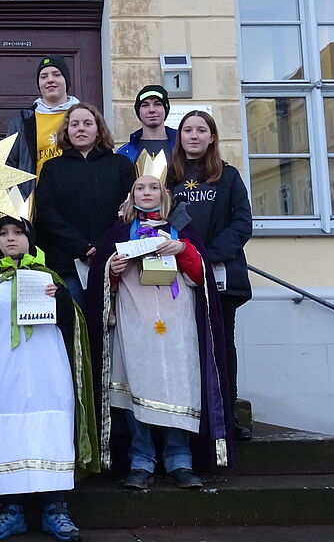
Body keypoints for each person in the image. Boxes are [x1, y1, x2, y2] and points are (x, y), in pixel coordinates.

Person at [85, 172, 234, 491]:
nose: (147, 192)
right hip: (134, 322)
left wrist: (182, 248)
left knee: (177, 387)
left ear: (164, 195)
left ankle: (179, 458)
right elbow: (100, 279)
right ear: (131, 196)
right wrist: (111, 269)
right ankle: (142, 459)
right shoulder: (119, 232)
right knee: (138, 385)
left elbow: (200, 276)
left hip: (177, 324)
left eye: (154, 187)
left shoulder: (182, 230)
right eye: (140, 187)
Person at [0, 217, 99, 542]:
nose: (11, 239)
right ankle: (11, 510)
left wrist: (61, 299)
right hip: (1, 374)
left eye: (18, 233)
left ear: (30, 238)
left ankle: (56, 508)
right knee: (5, 434)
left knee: (48, 431)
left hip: (46, 373)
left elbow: (72, 327)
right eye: (4, 234)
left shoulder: (47, 278)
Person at [168, 110, 253, 441]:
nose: (193, 135)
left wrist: (206, 256)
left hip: (219, 274)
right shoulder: (169, 177)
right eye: (187, 130)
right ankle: (189, 413)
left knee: (221, 345)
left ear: (212, 137)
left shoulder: (228, 177)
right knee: (183, 345)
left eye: (201, 130)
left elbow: (242, 224)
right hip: (177, 275)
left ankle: (226, 414)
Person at [35, 103, 135, 309]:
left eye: (88, 123)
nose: (81, 128)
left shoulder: (120, 165)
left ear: (98, 130)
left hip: (113, 262)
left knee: (110, 326)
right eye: (75, 124)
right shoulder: (52, 169)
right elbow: (46, 212)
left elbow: (128, 211)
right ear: (67, 131)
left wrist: (102, 244)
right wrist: (81, 247)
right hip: (67, 263)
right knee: (75, 327)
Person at [7, 55, 81, 196]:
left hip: (75, 199)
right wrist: (20, 202)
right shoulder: (22, 122)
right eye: (43, 76)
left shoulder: (84, 117)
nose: (50, 80)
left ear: (66, 80)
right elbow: (8, 166)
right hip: (34, 203)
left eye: (56, 74)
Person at [116, 84, 178, 167]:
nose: (151, 110)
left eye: (157, 104)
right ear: (139, 111)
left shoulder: (181, 146)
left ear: (165, 109)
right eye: (145, 105)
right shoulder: (124, 153)